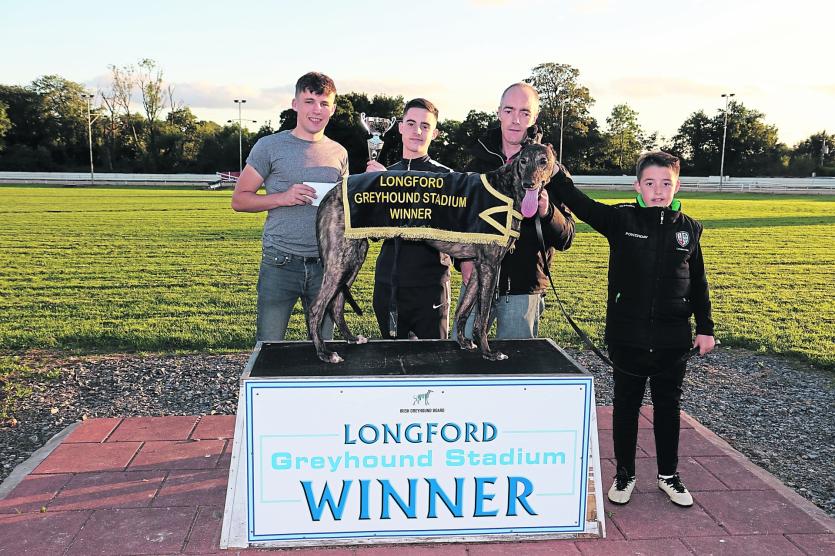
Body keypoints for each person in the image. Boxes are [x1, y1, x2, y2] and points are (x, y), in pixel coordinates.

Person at [552, 151, 716, 507]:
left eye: (666, 184)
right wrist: (552, 171)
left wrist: (705, 328)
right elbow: (580, 202)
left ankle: (669, 476)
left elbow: (698, 283)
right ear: (637, 185)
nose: (658, 191)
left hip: (673, 338)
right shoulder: (620, 219)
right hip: (627, 336)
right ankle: (624, 474)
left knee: (667, 407)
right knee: (626, 406)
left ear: (677, 185)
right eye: (651, 183)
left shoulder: (689, 228)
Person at [231, 72, 348, 342]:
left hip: (325, 265)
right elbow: (240, 200)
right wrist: (282, 197)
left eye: (324, 103)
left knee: (323, 347)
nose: (316, 110)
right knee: (269, 347)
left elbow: (341, 211)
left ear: (333, 108)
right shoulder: (269, 146)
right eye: (309, 101)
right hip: (280, 262)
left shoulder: (339, 153)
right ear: (295, 104)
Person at [454, 82, 574, 339]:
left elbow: (567, 237)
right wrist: (462, 261)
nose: (516, 120)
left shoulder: (551, 167)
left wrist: (547, 212)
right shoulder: (476, 164)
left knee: (518, 371)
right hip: (475, 279)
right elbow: (458, 221)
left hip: (522, 289)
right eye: (509, 110)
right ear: (498, 112)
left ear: (535, 117)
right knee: (460, 364)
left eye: (524, 112)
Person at [366, 98, 452, 339]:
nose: (417, 131)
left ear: (434, 133)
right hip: (387, 286)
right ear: (400, 127)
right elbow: (372, 232)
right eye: (411, 123)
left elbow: (443, 229)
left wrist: (395, 188)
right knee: (394, 364)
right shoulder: (384, 174)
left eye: (425, 126)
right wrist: (370, 188)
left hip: (430, 287)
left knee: (432, 365)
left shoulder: (448, 178)